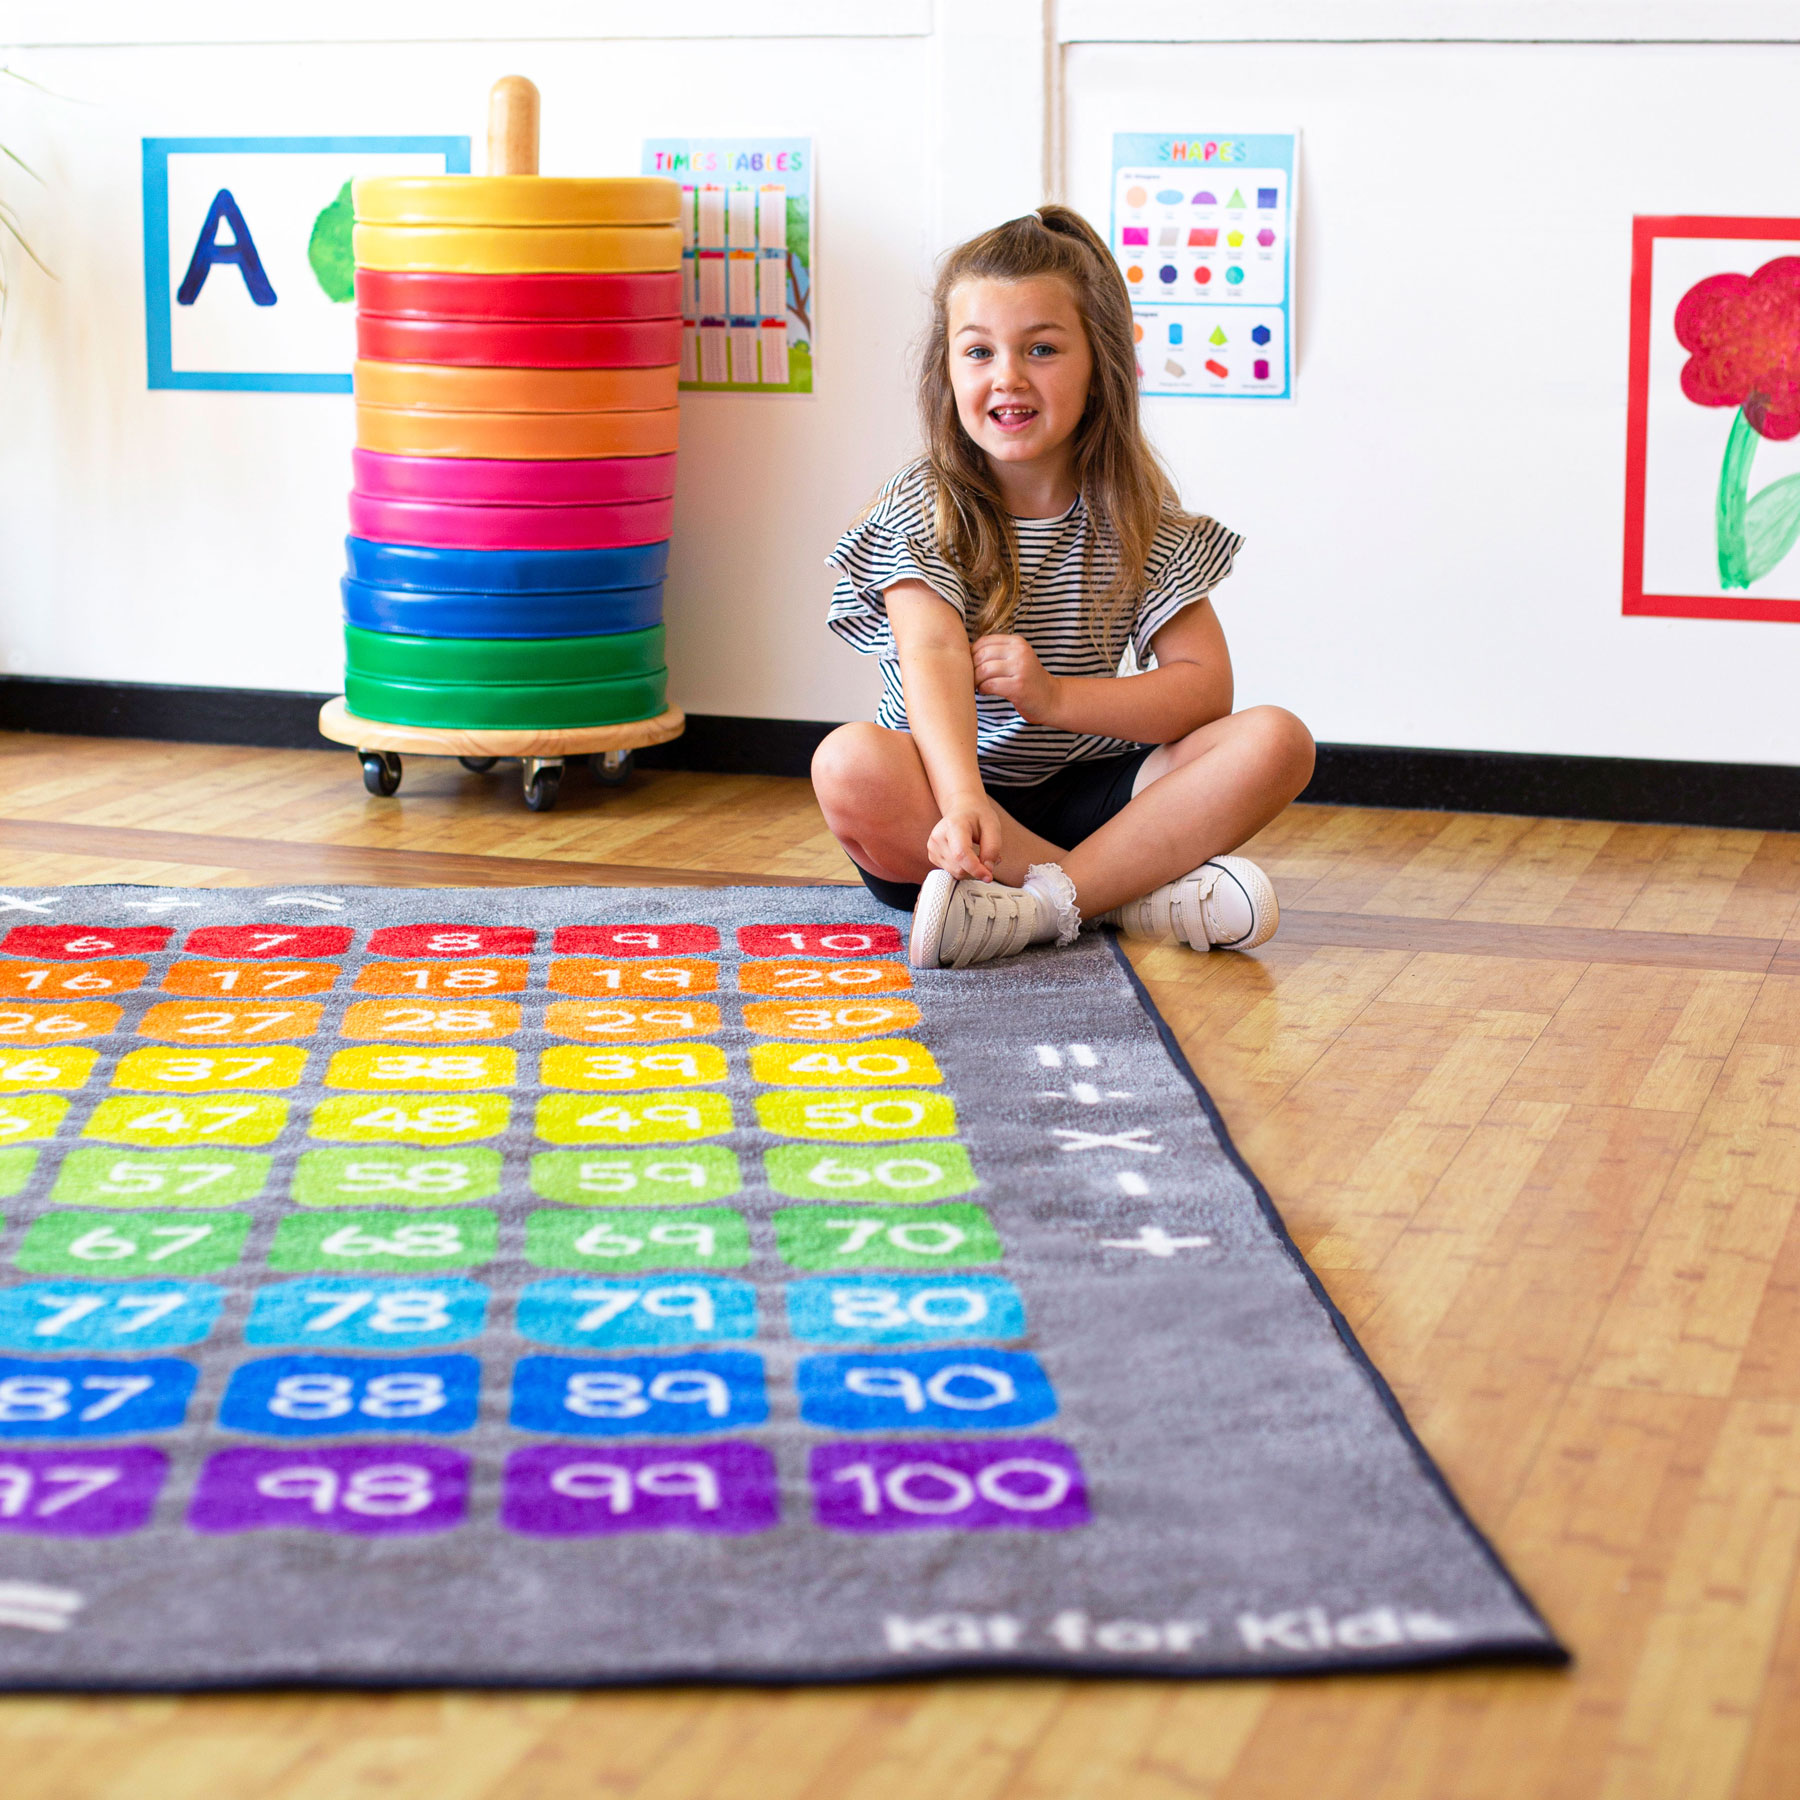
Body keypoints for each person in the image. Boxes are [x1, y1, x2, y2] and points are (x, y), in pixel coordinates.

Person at [812, 205, 1316, 971]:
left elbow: (1205, 690)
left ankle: (1045, 904)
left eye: (1041, 348)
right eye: (978, 351)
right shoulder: (921, 507)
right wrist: (962, 802)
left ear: (1099, 365)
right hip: (948, 805)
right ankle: (1127, 898)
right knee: (847, 763)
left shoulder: (1138, 516)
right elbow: (932, 650)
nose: (1007, 376)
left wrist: (1054, 700)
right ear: (946, 372)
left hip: (1090, 797)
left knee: (1277, 740)